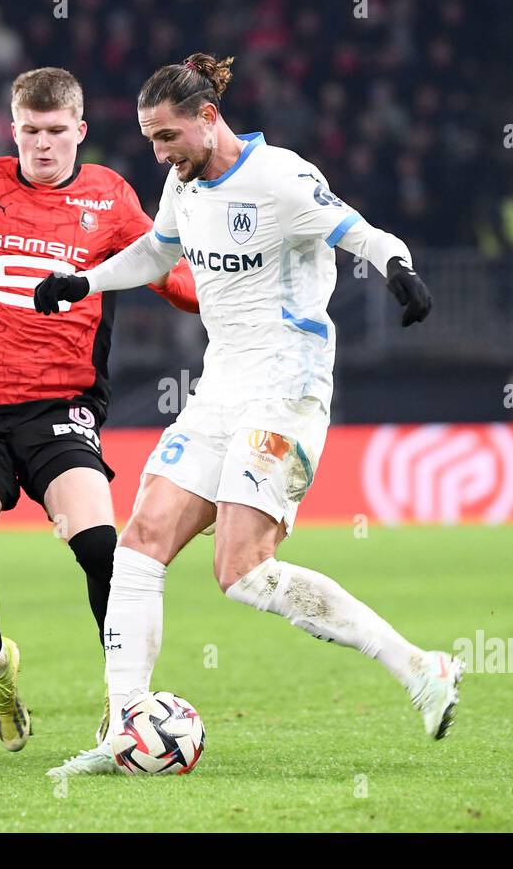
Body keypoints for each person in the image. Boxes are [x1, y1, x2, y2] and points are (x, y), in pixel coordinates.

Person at [34, 54, 461, 776]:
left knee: (241, 570)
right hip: (221, 386)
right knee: (139, 542)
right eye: (149, 140)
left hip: (287, 386)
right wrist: (85, 280)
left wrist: (399, 270)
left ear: (208, 118)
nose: (159, 154)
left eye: (167, 136)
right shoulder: (182, 182)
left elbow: (360, 232)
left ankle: (422, 667)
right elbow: (156, 250)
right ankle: (124, 725)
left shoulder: (280, 178)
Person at [0, 67, 198, 753]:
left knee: (103, 552)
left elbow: (163, 269)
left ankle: (125, 706)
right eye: (31, 132)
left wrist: (228, 294)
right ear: (13, 129)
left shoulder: (110, 196)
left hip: (63, 406)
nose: (43, 145)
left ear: (79, 131)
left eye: (57, 132)